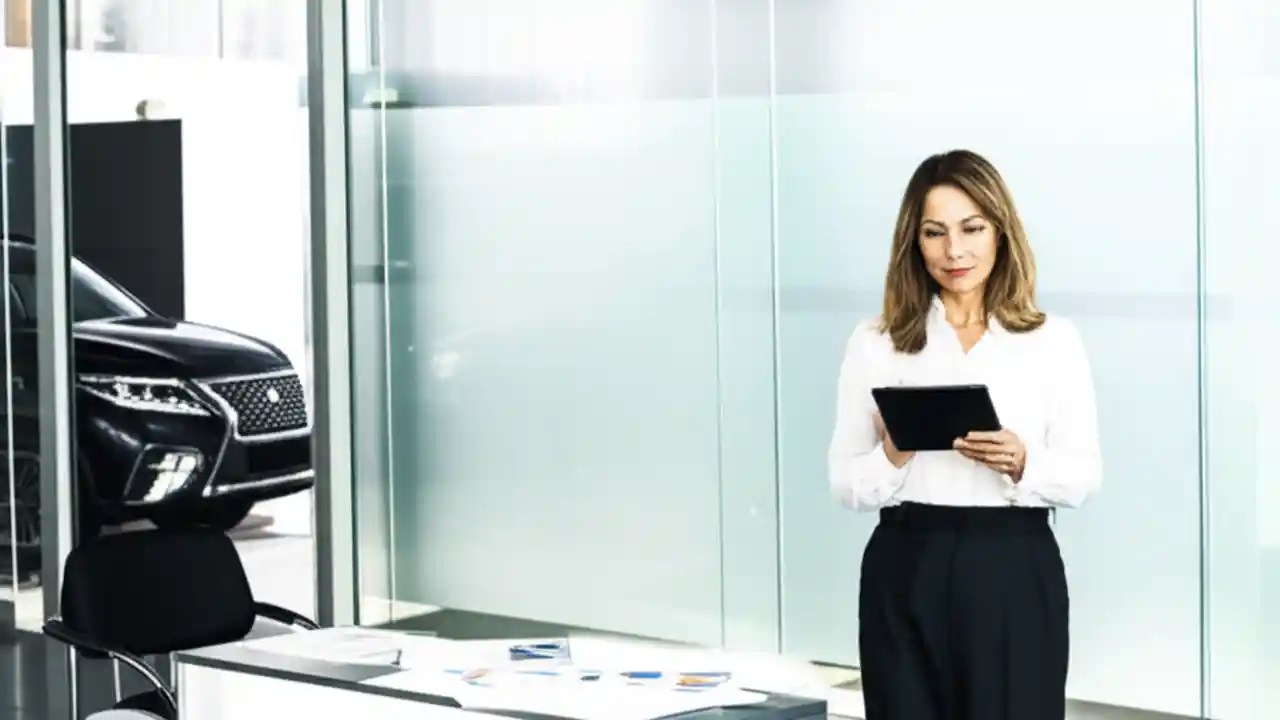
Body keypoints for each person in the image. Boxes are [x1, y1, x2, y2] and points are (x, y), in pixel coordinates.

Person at [828, 149, 1102, 719]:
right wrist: (893, 452)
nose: (954, 251)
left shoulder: (1052, 341)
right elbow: (846, 485)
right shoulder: (876, 342)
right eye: (935, 232)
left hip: (1012, 565)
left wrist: (1024, 461)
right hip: (905, 563)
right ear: (914, 241)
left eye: (971, 228)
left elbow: (1082, 476)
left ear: (1001, 230)